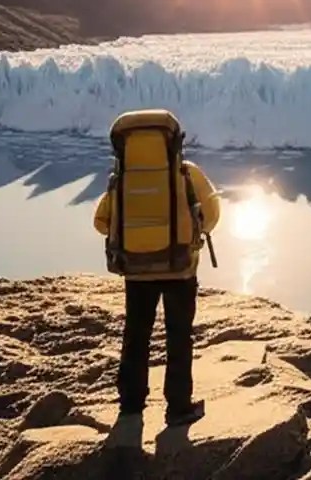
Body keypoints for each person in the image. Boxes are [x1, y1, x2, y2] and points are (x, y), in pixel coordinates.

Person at [93, 110, 221, 427]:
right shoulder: (188, 174)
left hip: (136, 271)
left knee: (136, 334)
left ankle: (131, 405)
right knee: (179, 337)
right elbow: (212, 215)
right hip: (180, 269)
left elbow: (100, 223)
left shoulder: (121, 180)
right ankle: (178, 408)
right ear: (173, 142)